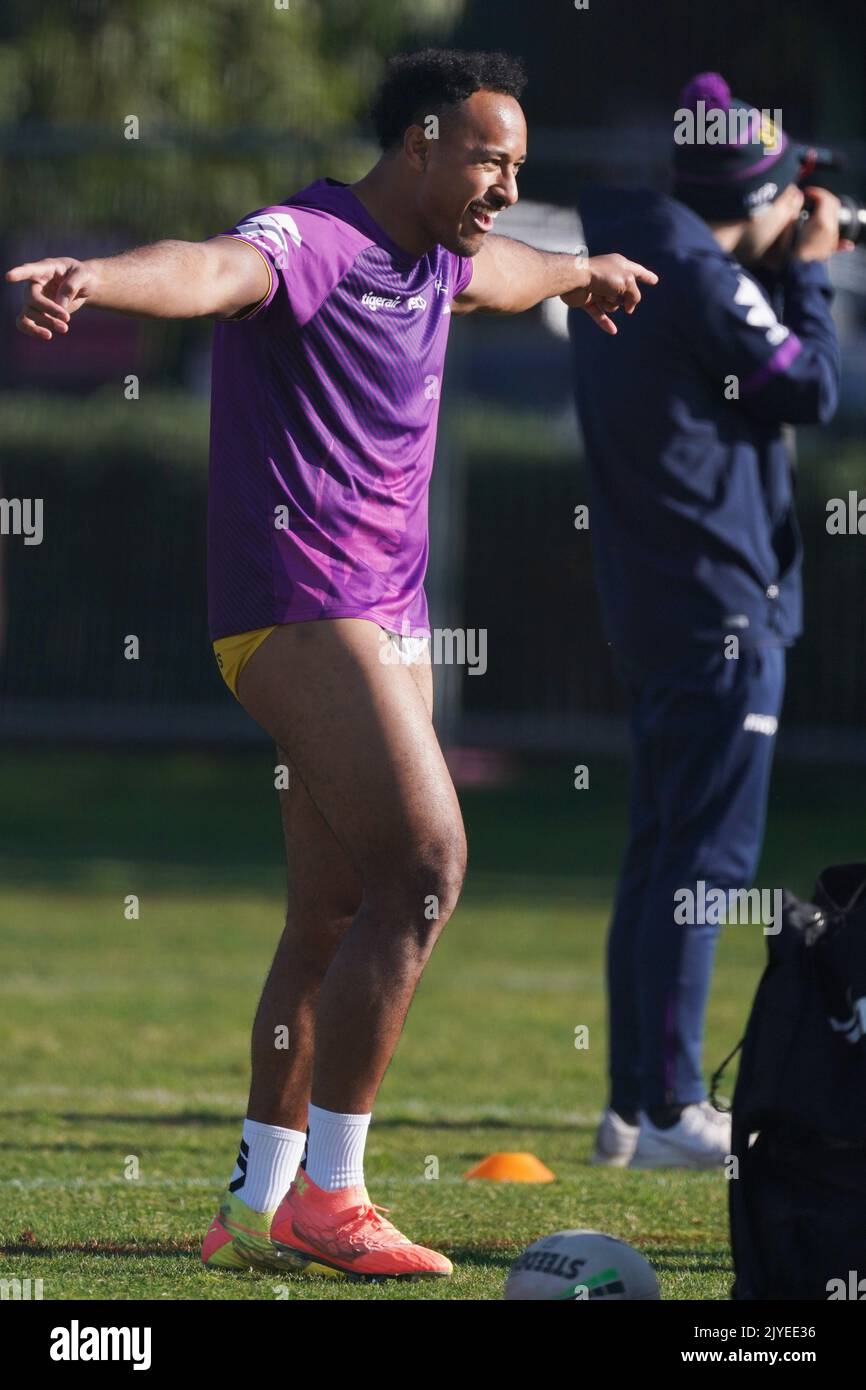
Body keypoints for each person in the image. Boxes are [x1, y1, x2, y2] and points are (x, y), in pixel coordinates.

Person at [8, 48, 656, 1278]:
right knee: (427, 863)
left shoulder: (439, 259)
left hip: (386, 617)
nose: (505, 184)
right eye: (489, 158)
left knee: (333, 912)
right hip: (300, 606)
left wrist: (578, 273)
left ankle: (254, 1200)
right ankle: (336, 1191)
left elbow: (502, 274)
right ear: (419, 141)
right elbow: (211, 269)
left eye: (519, 164)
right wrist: (94, 277)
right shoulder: (311, 239)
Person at [567, 73, 849, 1170]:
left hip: (656, 601)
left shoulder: (639, 250)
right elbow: (807, 389)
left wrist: (771, 264)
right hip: (721, 601)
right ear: (762, 190)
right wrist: (809, 278)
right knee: (705, 864)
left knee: (658, 854)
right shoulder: (692, 267)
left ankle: (634, 1107)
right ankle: (677, 1106)